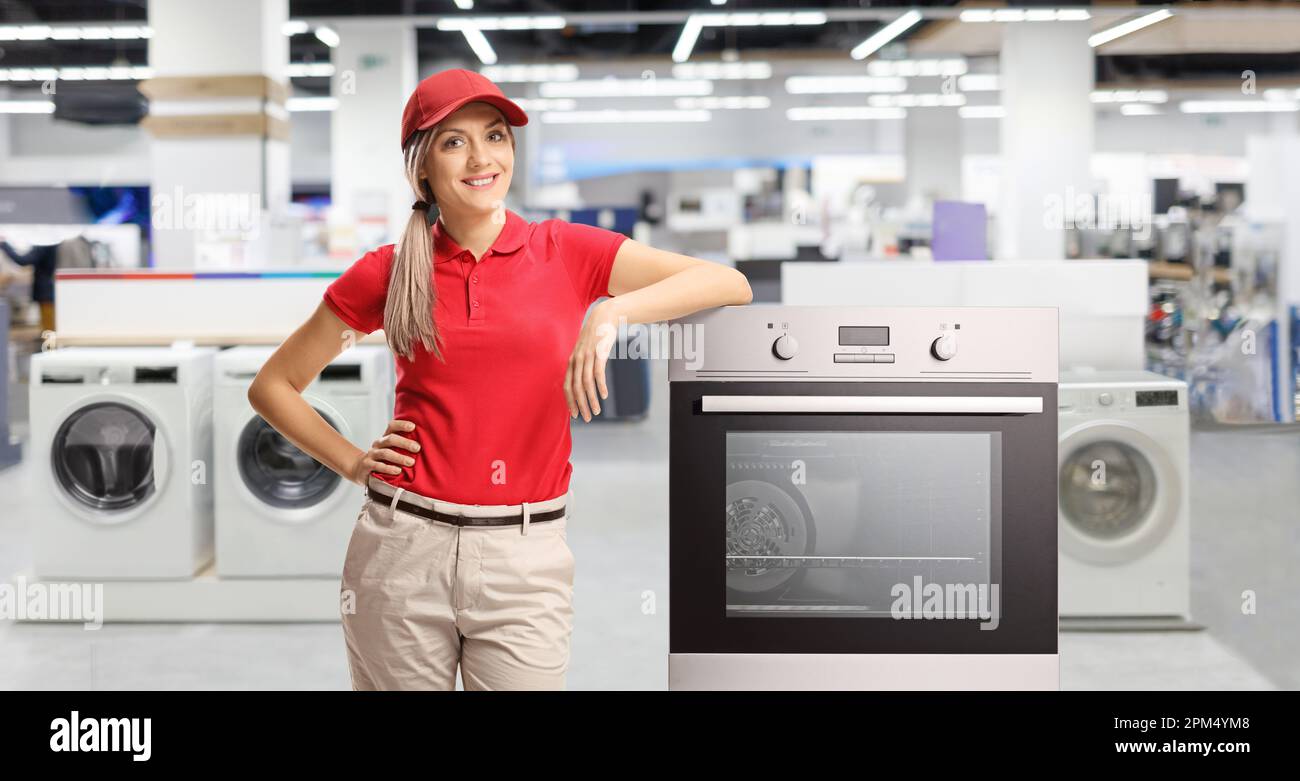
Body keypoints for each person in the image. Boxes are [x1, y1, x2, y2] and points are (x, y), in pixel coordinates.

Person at [247, 68, 751, 690]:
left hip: (525, 554)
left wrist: (612, 309)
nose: (482, 157)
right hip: (402, 546)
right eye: (454, 142)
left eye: (495, 136)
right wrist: (353, 463)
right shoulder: (391, 270)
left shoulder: (566, 250)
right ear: (422, 168)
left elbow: (728, 282)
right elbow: (272, 385)